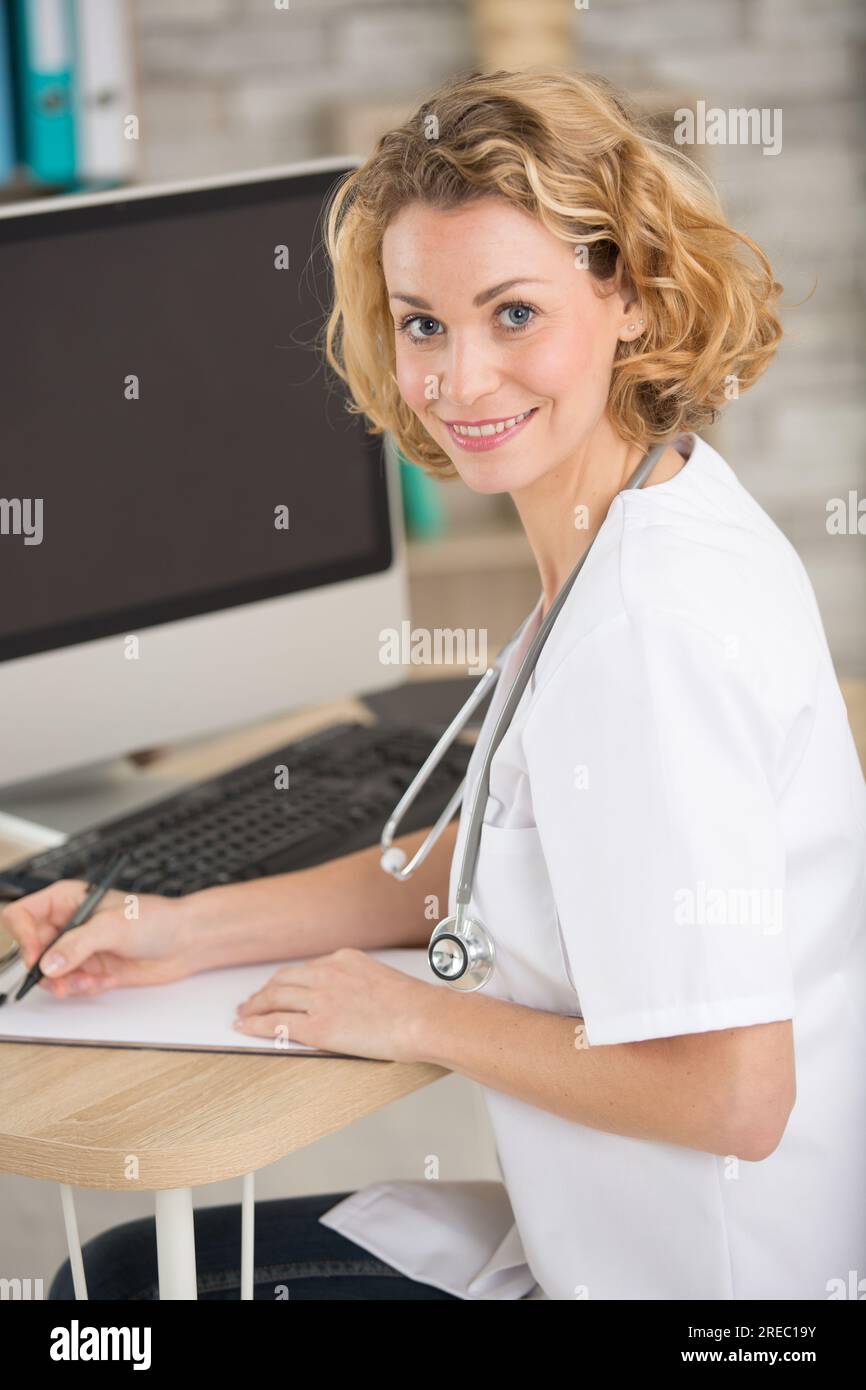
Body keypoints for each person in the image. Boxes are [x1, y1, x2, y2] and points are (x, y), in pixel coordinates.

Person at [5, 68, 864, 1301]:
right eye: (422, 323)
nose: (459, 381)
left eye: (513, 313)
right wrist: (175, 927)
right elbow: (501, 862)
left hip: (712, 1294)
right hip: (619, 1233)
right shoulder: (652, 510)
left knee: (117, 1305)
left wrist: (417, 1020)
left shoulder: (649, 634)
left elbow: (734, 1094)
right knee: (134, 1275)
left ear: (623, 292)